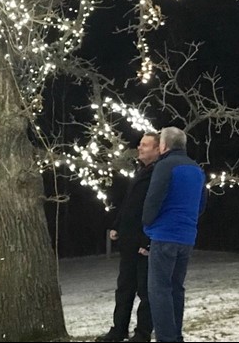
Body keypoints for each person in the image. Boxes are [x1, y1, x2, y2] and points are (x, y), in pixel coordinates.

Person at [142, 126, 206, 343]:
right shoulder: (197, 169)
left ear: (163, 145)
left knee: (159, 289)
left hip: (164, 235)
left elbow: (154, 199)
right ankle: (176, 335)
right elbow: (201, 204)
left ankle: (166, 338)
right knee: (176, 288)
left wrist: (147, 225)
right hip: (187, 237)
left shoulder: (164, 166)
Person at [97, 132, 161, 342]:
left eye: (145, 145)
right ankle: (118, 329)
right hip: (128, 240)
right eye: (140, 144)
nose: (140, 148)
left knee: (145, 290)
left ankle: (142, 334)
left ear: (157, 149)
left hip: (143, 242)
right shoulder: (140, 171)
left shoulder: (158, 174)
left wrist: (147, 240)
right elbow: (129, 204)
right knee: (124, 287)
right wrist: (116, 225)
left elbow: (154, 209)